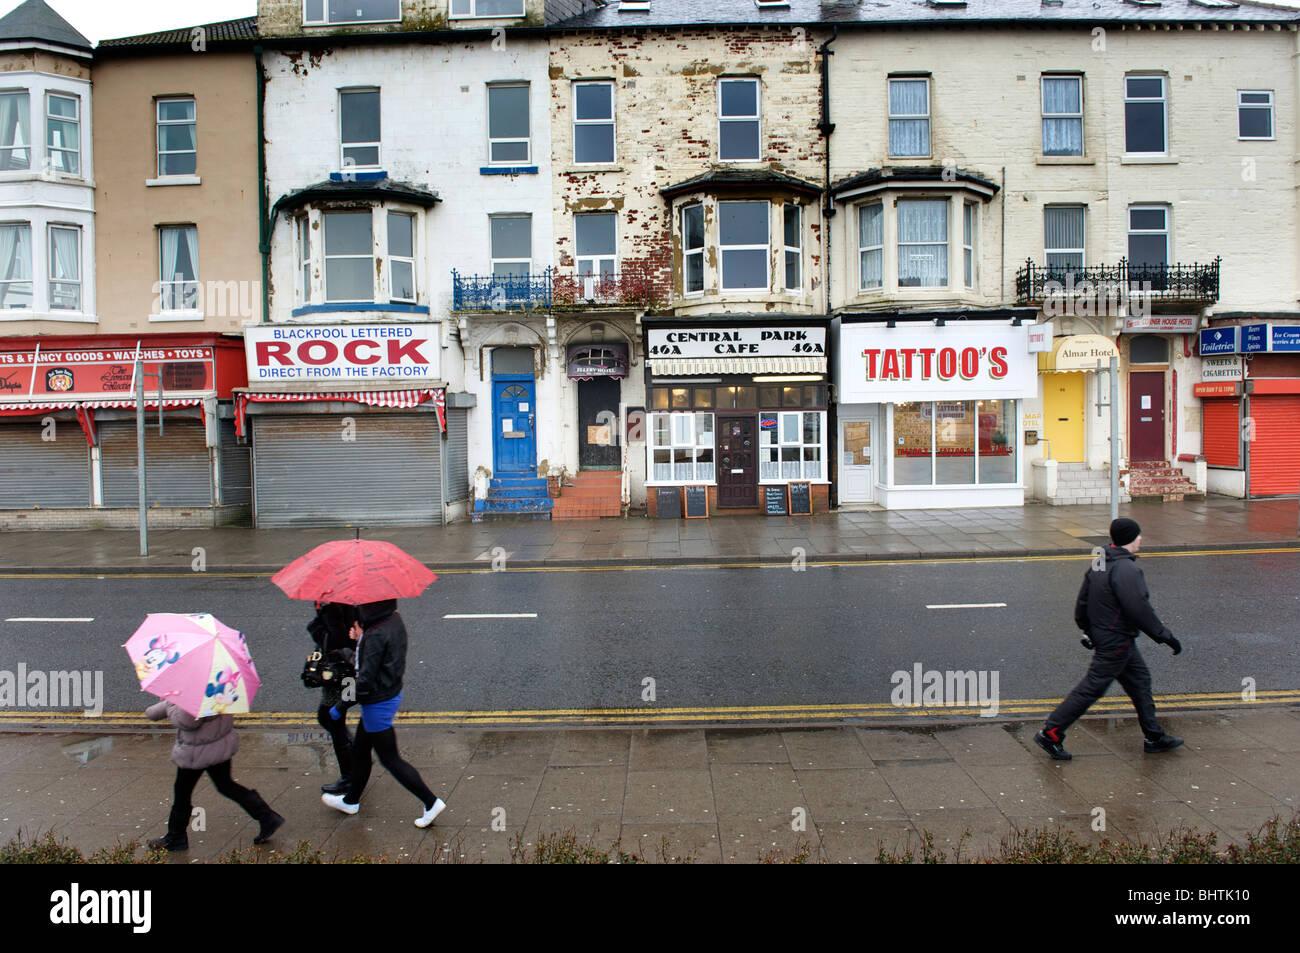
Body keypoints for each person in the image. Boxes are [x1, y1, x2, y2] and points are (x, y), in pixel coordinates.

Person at [1035, 517, 1185, 761]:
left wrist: (1089, 631)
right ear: (1130, 539)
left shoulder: (1101, 563)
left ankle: (1154, 736)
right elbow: (1138, 608)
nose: (1141, 539)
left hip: (1113, 638)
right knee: (1091, 688)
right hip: (1117, 641)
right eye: (1138, 535)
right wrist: (1165, 636)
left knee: (1140, 682)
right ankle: (1051, 731)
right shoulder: (1127, 569)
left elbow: (1082, 603)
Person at [321, 599, 447, 828]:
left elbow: (365, 681)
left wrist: (339, 708)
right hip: (389, 692)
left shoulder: (375, 634)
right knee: (360, 751)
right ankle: (350, 800)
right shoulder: (393, 619)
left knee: (390, 759)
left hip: (377, 702)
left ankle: (431, 802)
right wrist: (362, 639)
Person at [146, 699, 284, 851]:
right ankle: (267, 817)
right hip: (218, 744)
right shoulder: (216, 684)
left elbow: (187, 721)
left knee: (182, 792)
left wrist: (170, 705)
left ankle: (176, 837)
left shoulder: (195, 692)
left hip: (197, 751)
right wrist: (158, 709)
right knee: (225, 785)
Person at [307, 601, 359, 795]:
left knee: (332, 717)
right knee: (331, 717)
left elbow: (336, 639)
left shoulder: (332, 604)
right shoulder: (348, 597)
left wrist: (316, 626)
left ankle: (349, 777)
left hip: (340, 671)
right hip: (350, 668)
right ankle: (356, 757)